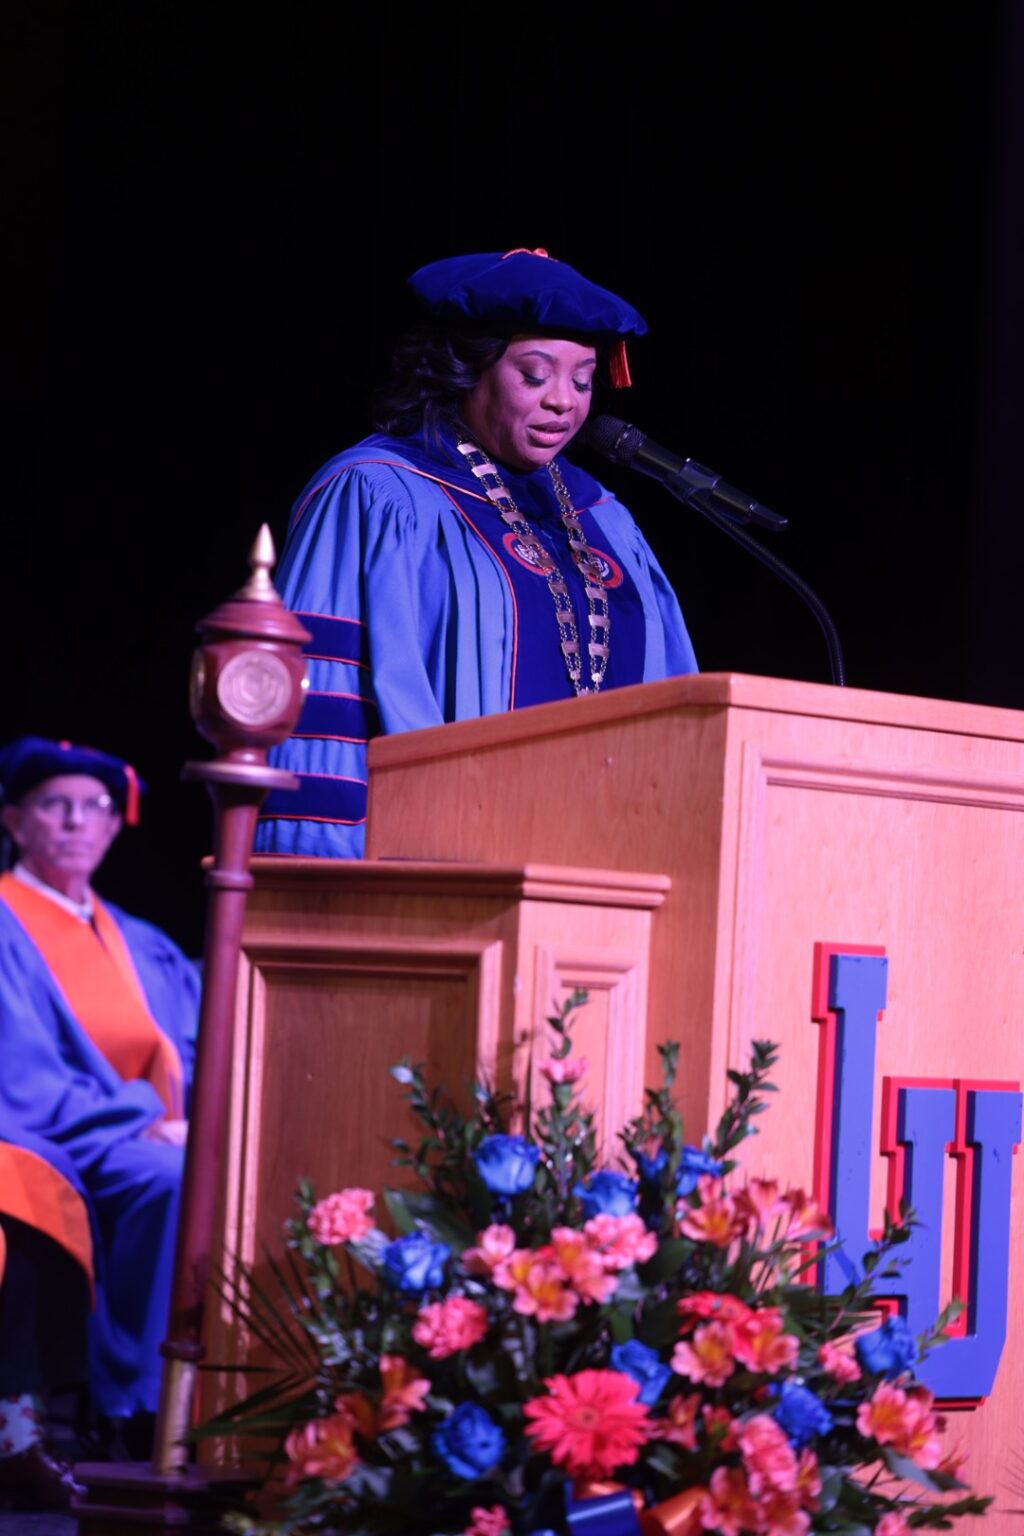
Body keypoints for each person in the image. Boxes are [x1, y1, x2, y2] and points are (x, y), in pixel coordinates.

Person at [253, 246, 698, 860]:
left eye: (583, 379)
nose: (564, 401)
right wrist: (319, 881)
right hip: (438, 873)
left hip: (610, 875)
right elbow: (324, 695)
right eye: (535, 375)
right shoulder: (381, 494)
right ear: (467, 370)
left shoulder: (606, 520)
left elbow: (672, 704)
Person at [0, 736, 202, 1487]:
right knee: (171, 1179)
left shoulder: (140, 941)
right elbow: (17, 1069)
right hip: (51, 1134)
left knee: (221, 1171)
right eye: (55, 805)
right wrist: (142, 1119)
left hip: (153, 1131)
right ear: (16, 821)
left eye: (95, 808)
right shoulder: (4, 926)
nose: (77, 822)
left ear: (117, 827)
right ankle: (139, 1407)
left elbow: (194, 1040)